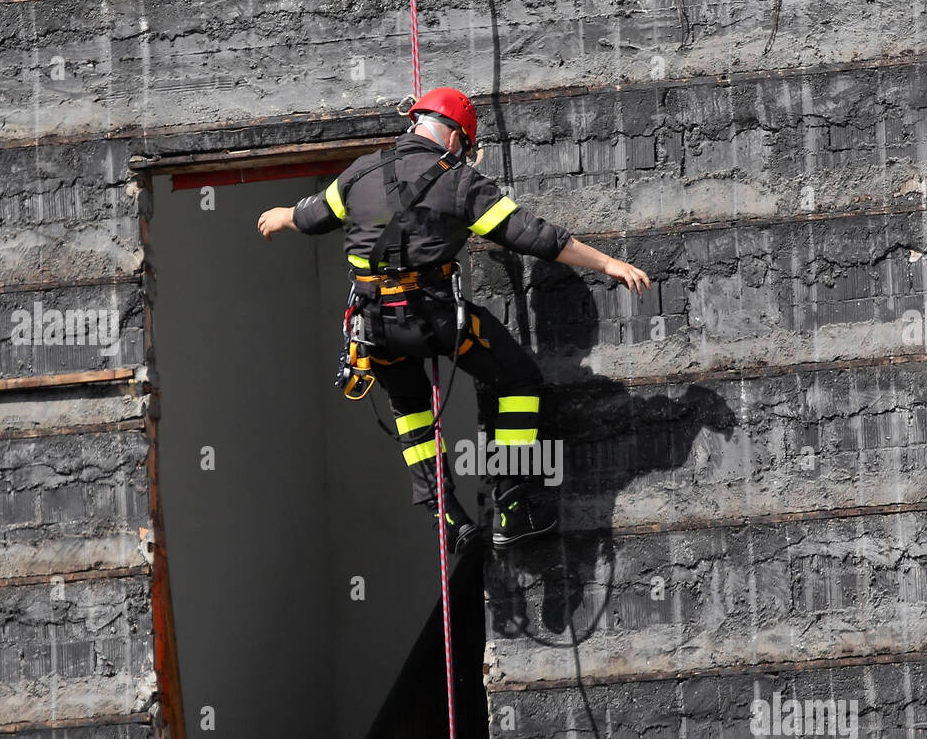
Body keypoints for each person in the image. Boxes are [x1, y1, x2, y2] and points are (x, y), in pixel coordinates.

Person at [258, 86, 649, 552]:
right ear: (455, 138)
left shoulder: (361, 171)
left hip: (374, 328)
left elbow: (313, 216)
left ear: (417, 123)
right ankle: (512, 503)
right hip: (436, 319)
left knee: (411, 410)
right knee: (520, 381)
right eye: (464, 145)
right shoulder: (459, 181)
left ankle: (445, 515)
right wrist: (607, 263)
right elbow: (533, 236)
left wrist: (280, 215)